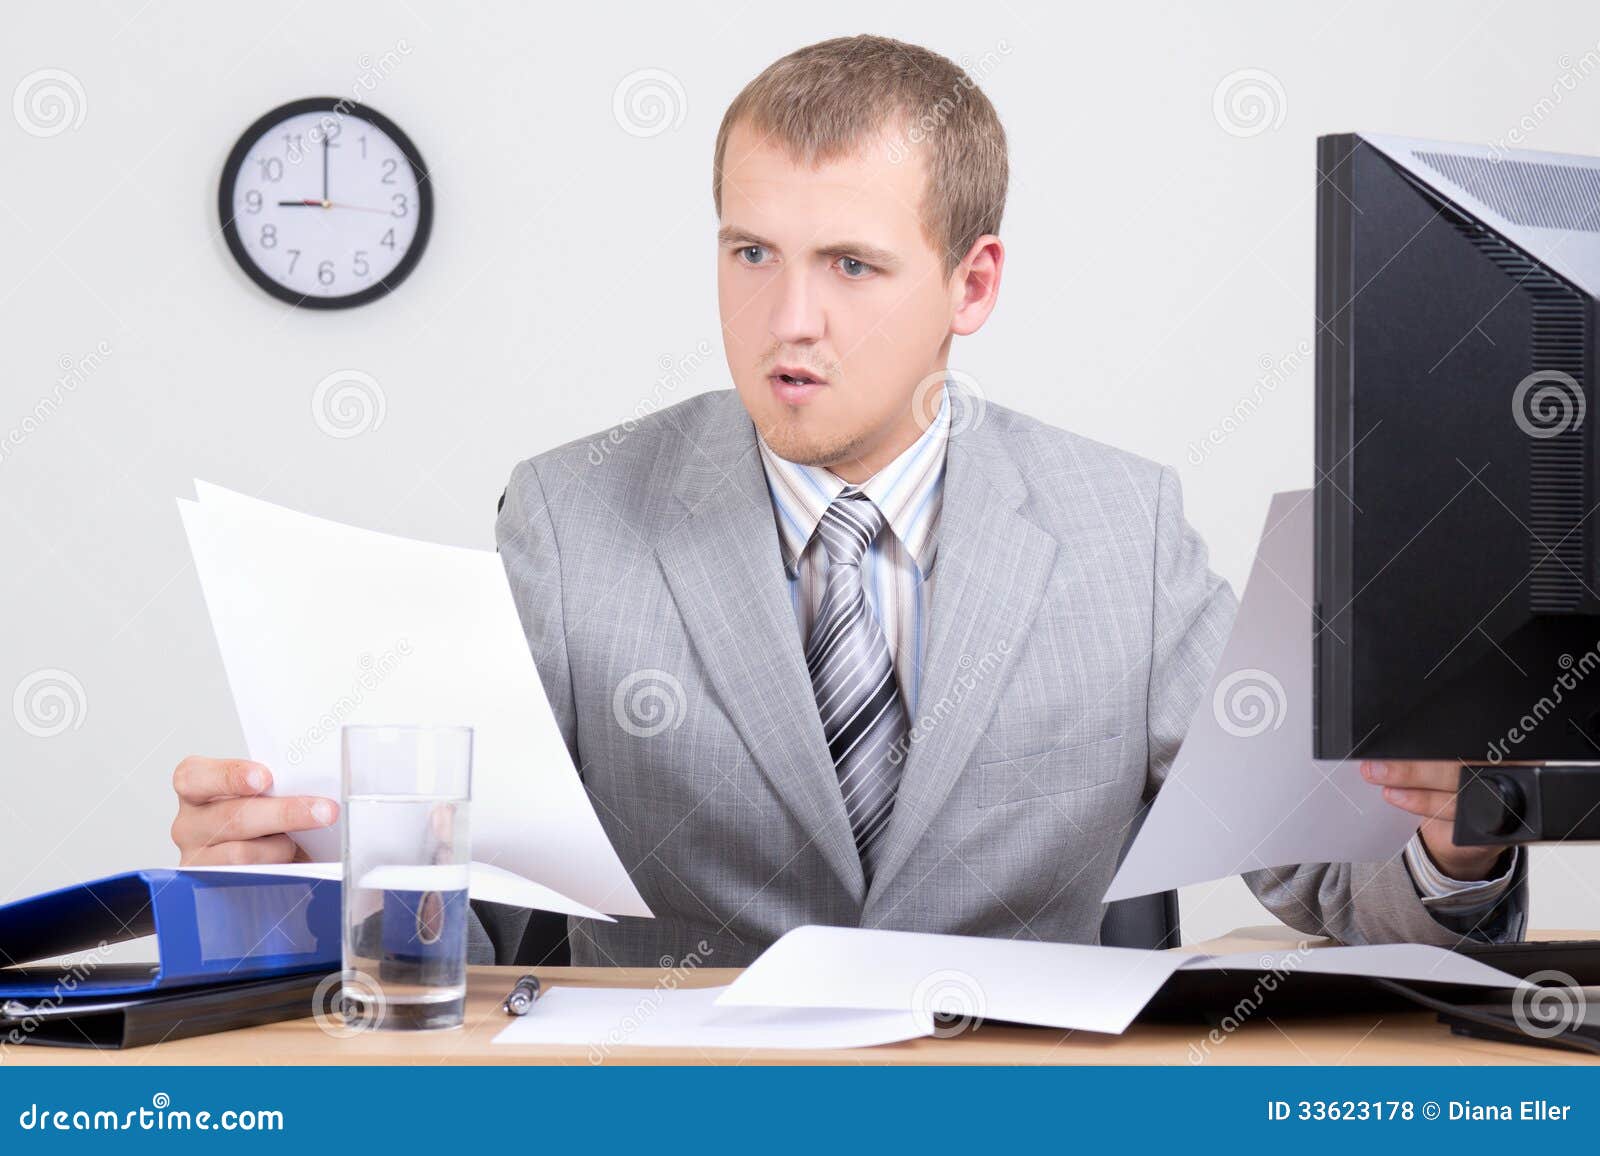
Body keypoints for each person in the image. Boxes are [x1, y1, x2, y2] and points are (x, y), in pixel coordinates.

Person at [171, 35, 1524, 965]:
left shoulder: (1125, 527)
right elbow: (445, 923)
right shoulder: (572, 516)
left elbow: (1332, 890)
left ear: (972, 286)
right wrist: (299, 874)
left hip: (1019, 1124)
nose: (789, 319)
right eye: (750, 252)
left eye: (853, 266)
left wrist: (1455, 839)